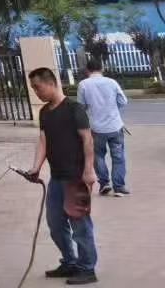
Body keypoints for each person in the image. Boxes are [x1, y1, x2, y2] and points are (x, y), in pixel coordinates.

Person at [26, 67, 98, 285]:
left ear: (50, 83)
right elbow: (43, 141)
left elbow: (87, 139)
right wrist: (36, 167)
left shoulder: (74, 109)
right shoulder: (44, 112)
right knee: (55, 224)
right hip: (56, 179)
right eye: (33, 88)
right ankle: (69, 262)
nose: (36, 92)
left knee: (80, 225)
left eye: (37, 87)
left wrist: (89, 170)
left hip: (76, 177)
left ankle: (87, 268)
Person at [77, 57, 129, 196]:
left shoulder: (83, 85)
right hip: (115, 126)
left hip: (96, 128)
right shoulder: (112, 82)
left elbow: (81, 107)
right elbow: (123, 101)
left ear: (87, 70)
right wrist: (112, 109)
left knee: (98, 156)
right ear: (102, 69)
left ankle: (104, 184)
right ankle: (119, 187)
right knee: (118, 156)